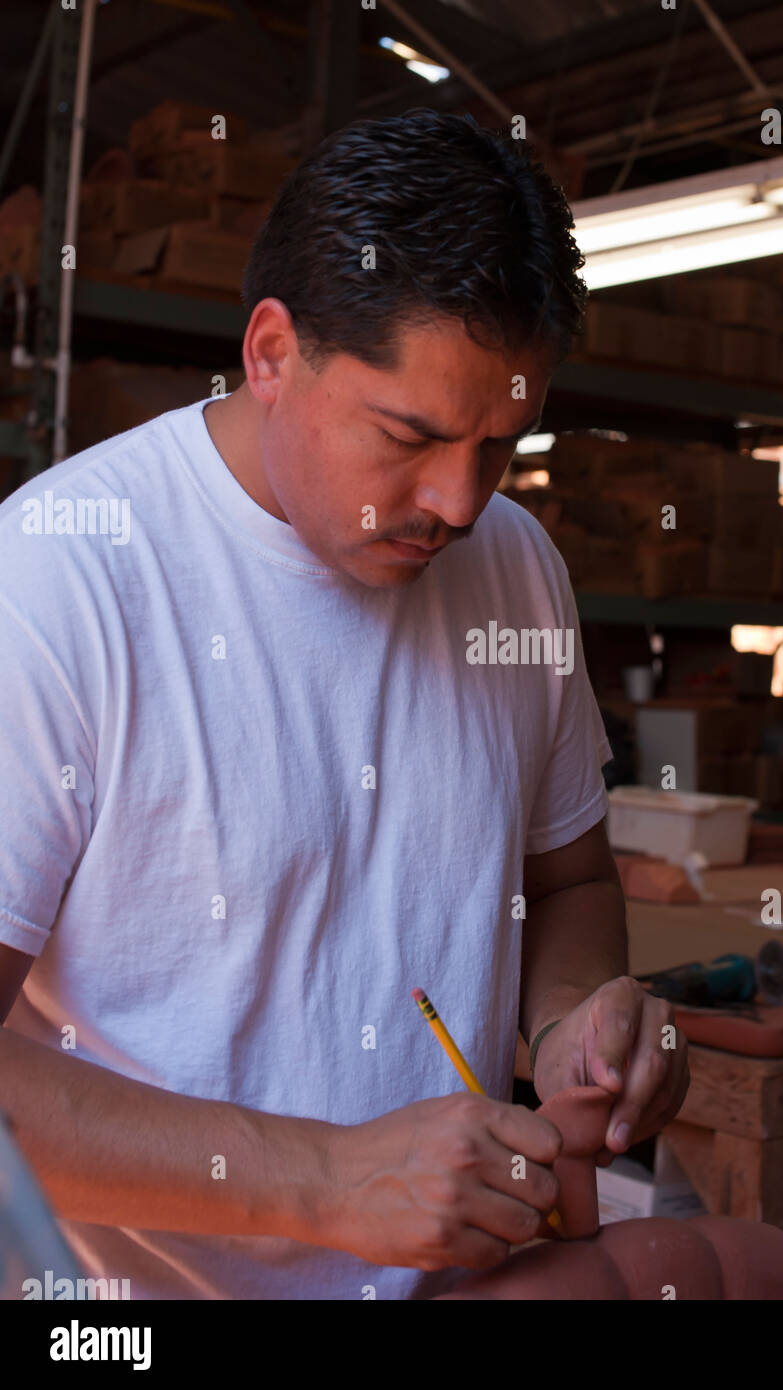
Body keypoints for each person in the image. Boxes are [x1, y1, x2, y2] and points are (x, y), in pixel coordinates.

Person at [0, 108, 689, 1299]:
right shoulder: (63, 581)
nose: (459, 500)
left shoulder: (517, 566)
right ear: (271, 353)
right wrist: (326, 1182)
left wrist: (572, 1027)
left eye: (501, 445)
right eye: (410, 435)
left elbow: (568, 879)